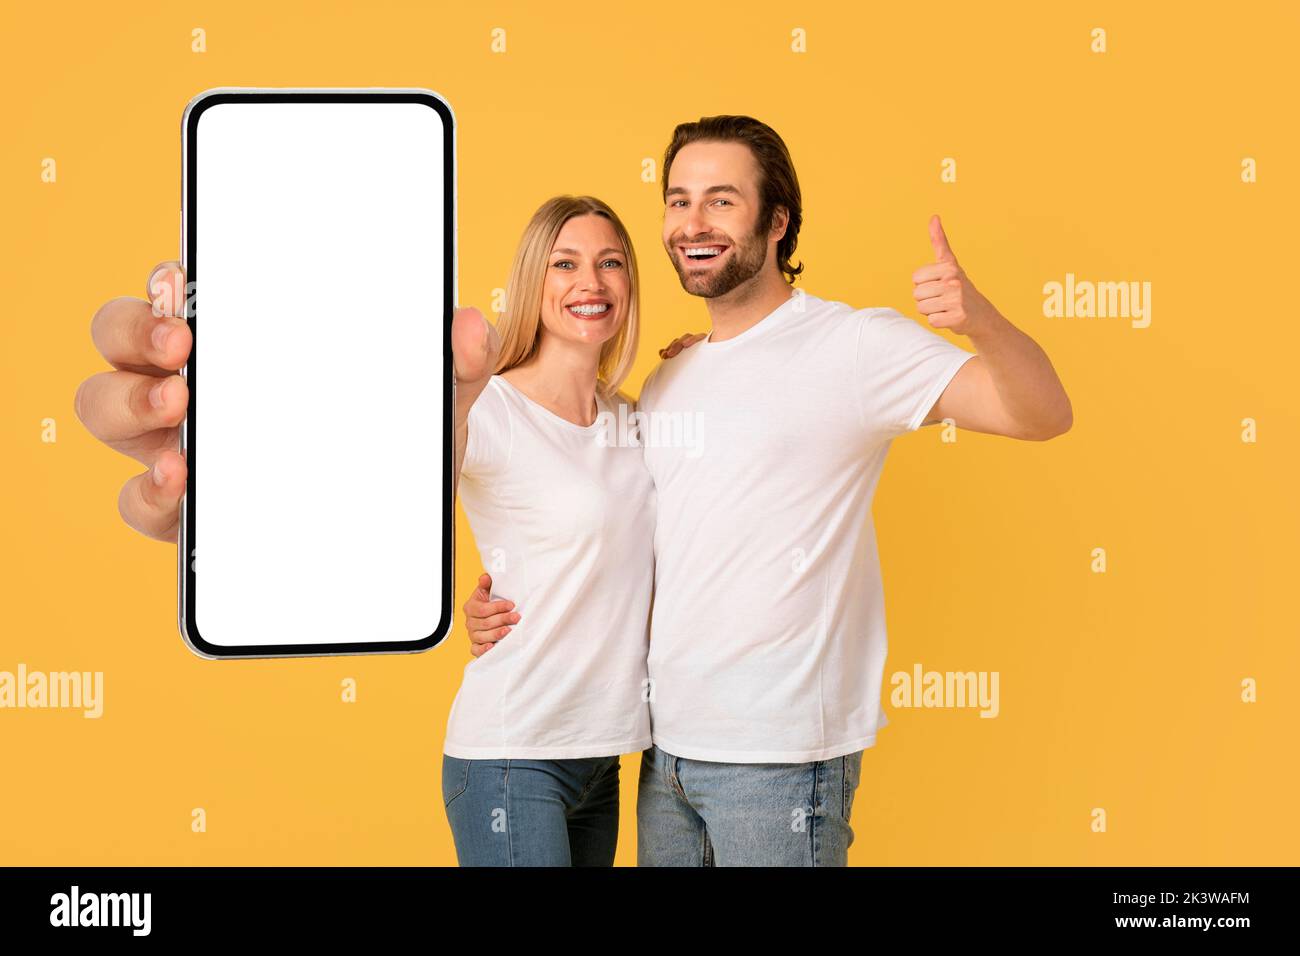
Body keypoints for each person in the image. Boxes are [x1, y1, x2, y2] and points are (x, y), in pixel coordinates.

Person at [465, 115, 1074, 866]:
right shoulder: (665, 380)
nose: (694, 222)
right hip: (662, 756)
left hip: (780, 757)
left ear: (777, 220)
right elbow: (603, 522)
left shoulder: (853, 347)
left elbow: (1042, 414)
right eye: (679, 200)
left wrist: (979, 320)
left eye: (721, 200)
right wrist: (499, 598)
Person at [74, 193, 658, 867]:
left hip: (603, 757)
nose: (591, 282)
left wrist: (713, 357)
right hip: (512, 756)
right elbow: (389, 493)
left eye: (610, 262)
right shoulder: (488, 406)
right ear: (534, 280)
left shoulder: (633, 418)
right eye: (566, 264)